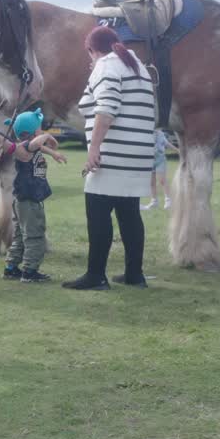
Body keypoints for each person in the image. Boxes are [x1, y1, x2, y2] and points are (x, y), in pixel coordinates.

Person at [64, 26, 155, 291]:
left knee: (98, 214)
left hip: (113, 154)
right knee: (129, 216)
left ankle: (96, 275)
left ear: (92, 50)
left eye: (88, 54)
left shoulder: (106, 67)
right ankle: (134, 274)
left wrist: (93, 149)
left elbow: (105, 110)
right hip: (137, 155)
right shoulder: (137, 67)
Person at [0, 108, 67, 283]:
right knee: (34, 235)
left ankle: (11, 268)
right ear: (33, 131)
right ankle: (30, 272)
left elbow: (38, 146)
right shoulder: (24, 147)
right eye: (39, 128)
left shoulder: (26, 146)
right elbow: (35, 144)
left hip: (24, 199)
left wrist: (54, 154)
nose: (42, 130)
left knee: (20, 236)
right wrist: (47, 135)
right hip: (28, 200)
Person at [143, 129, 178, 211]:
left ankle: (168, 200)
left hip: (160, 159)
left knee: (162, 180)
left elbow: (166, 143)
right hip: (149, 160)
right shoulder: (145, 133)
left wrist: (178, 151)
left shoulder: (160, 134)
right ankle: (154, 201)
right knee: (151, 182)